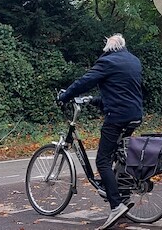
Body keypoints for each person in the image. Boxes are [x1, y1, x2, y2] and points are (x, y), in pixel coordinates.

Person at [58, 34, 144, 229]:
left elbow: (85, 81)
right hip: (135, 114)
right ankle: (118, 190)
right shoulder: (133, 61)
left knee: (102, 160)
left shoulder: (107, 61)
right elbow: (122, 90)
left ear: (108, 47)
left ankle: (116, 206)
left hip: (117, 117)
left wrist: (65, 96)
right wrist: (97, 101)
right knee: (116, 154)